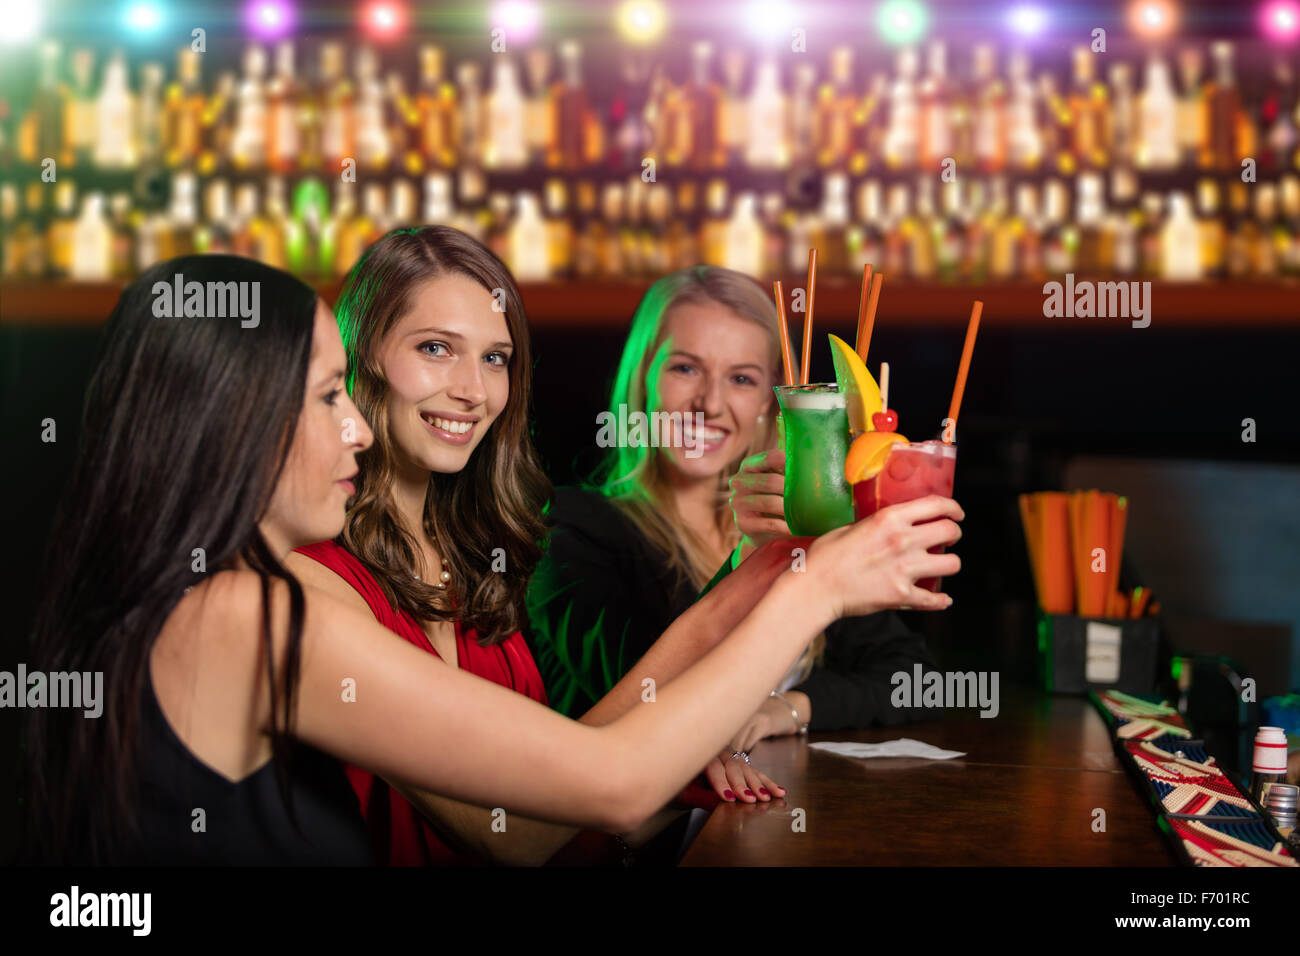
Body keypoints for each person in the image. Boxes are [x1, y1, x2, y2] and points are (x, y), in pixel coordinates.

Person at [24, 253, 964, 865]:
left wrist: (763, 583)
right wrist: (820, 595)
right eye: (325, 397)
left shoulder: (211, 602)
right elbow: (612, 785)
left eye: (496, 358)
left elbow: (551, 793)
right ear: (226, 420)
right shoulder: (248, 615)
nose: (353, 426)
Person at [284, 226, 772, 867]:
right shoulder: (307, 577)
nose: (474, 391)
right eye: (436, 348)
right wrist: (773, 577)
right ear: (359, 356)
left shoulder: (481, 559)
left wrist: (673, 783)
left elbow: (556, 822)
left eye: (495, 359)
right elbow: (516, 834)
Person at [526, 266, 939, 755]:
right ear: (643, 380)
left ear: (770, 403)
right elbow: (643, 694)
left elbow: (915, 677)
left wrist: (786, 709)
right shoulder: (571, 527)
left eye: (741, 379)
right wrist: (751, 560)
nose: (710, 403)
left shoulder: (799, 531)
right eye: (685, 368)